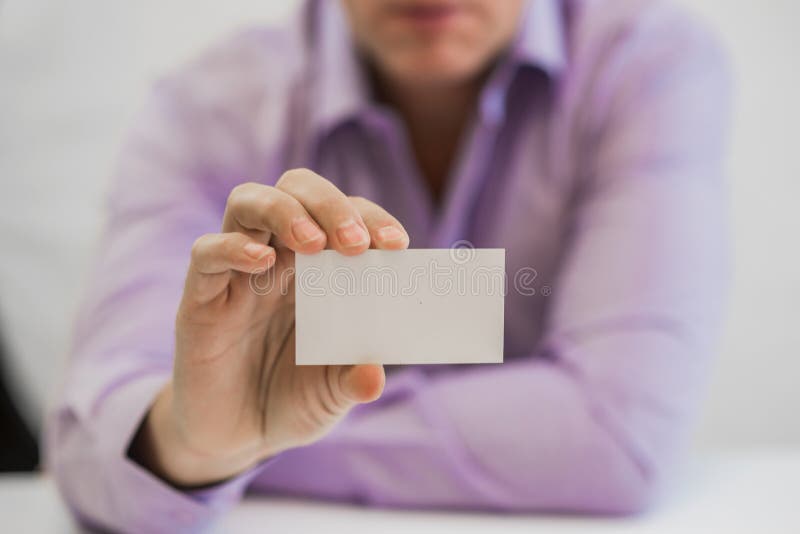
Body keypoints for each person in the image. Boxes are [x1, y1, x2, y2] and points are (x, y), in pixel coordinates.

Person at [47, 0, 730, 531]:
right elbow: (89, 437)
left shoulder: (647, 63)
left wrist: (246, 446)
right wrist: (194, 440)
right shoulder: (209, 106)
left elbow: (614, 438)